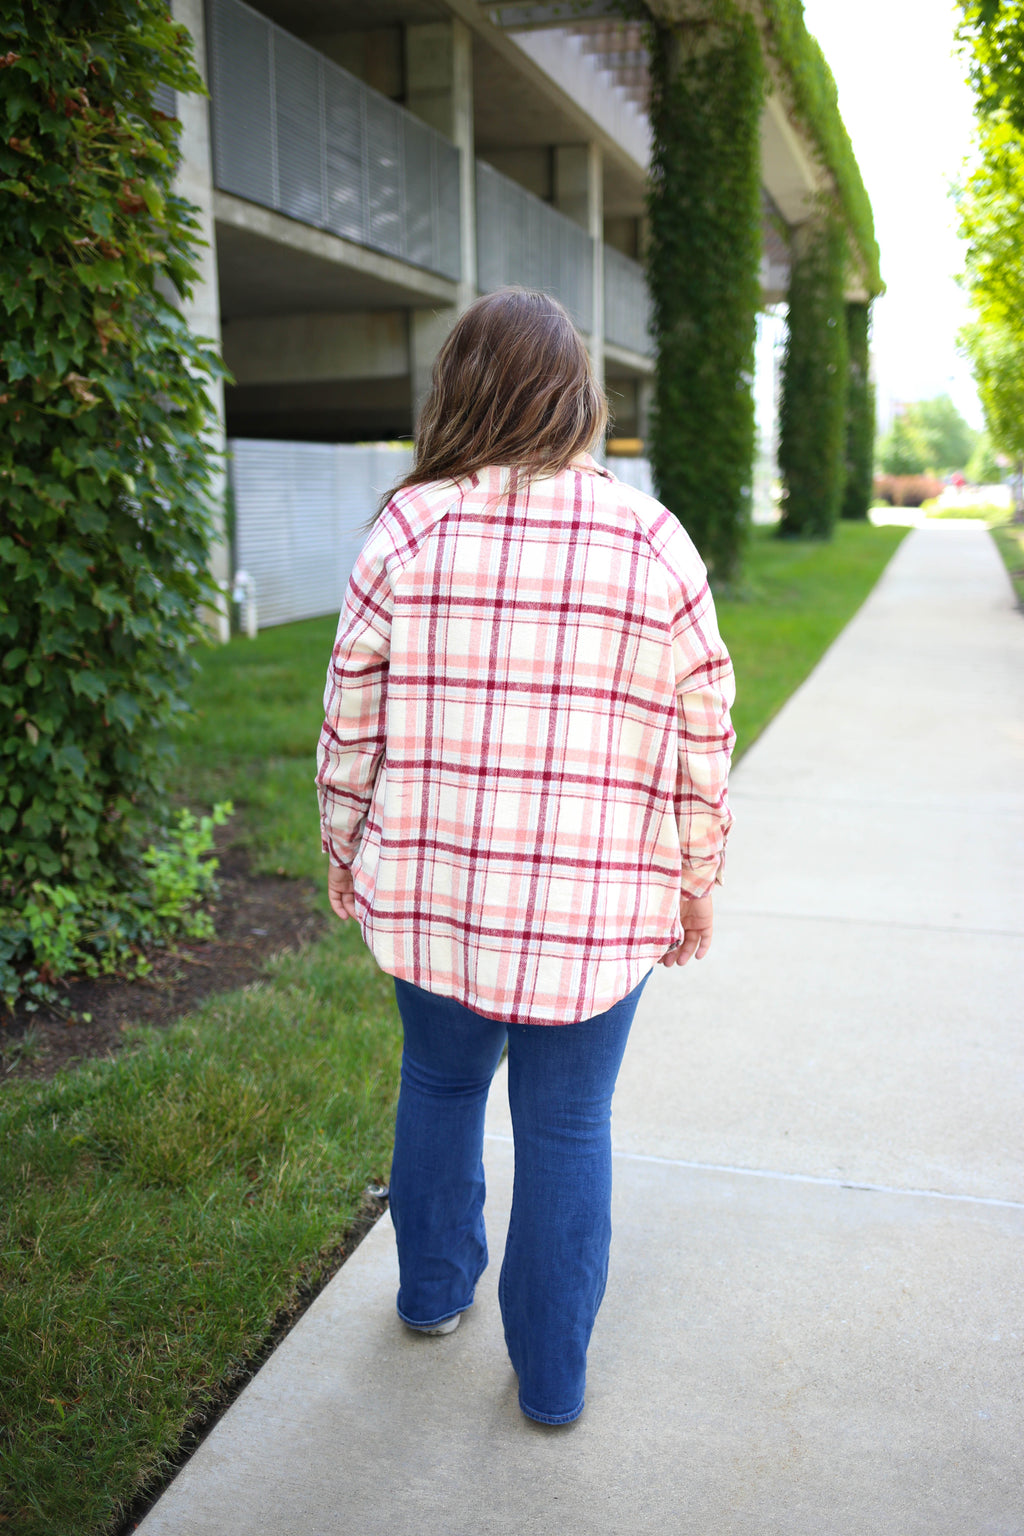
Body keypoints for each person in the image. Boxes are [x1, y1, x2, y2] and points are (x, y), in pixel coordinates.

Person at [315, 288, 735, 1426]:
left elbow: (350, 719)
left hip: (437, 888)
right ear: (578, 400)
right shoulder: (651, 536)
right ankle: (551, 1379)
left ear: (460, 389)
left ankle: (430, 1292)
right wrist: (695, 878)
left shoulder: (407, 529)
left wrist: (344, 843)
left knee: (441, 1082)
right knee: (566, 1124)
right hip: (594, 906)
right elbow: (705, 728)